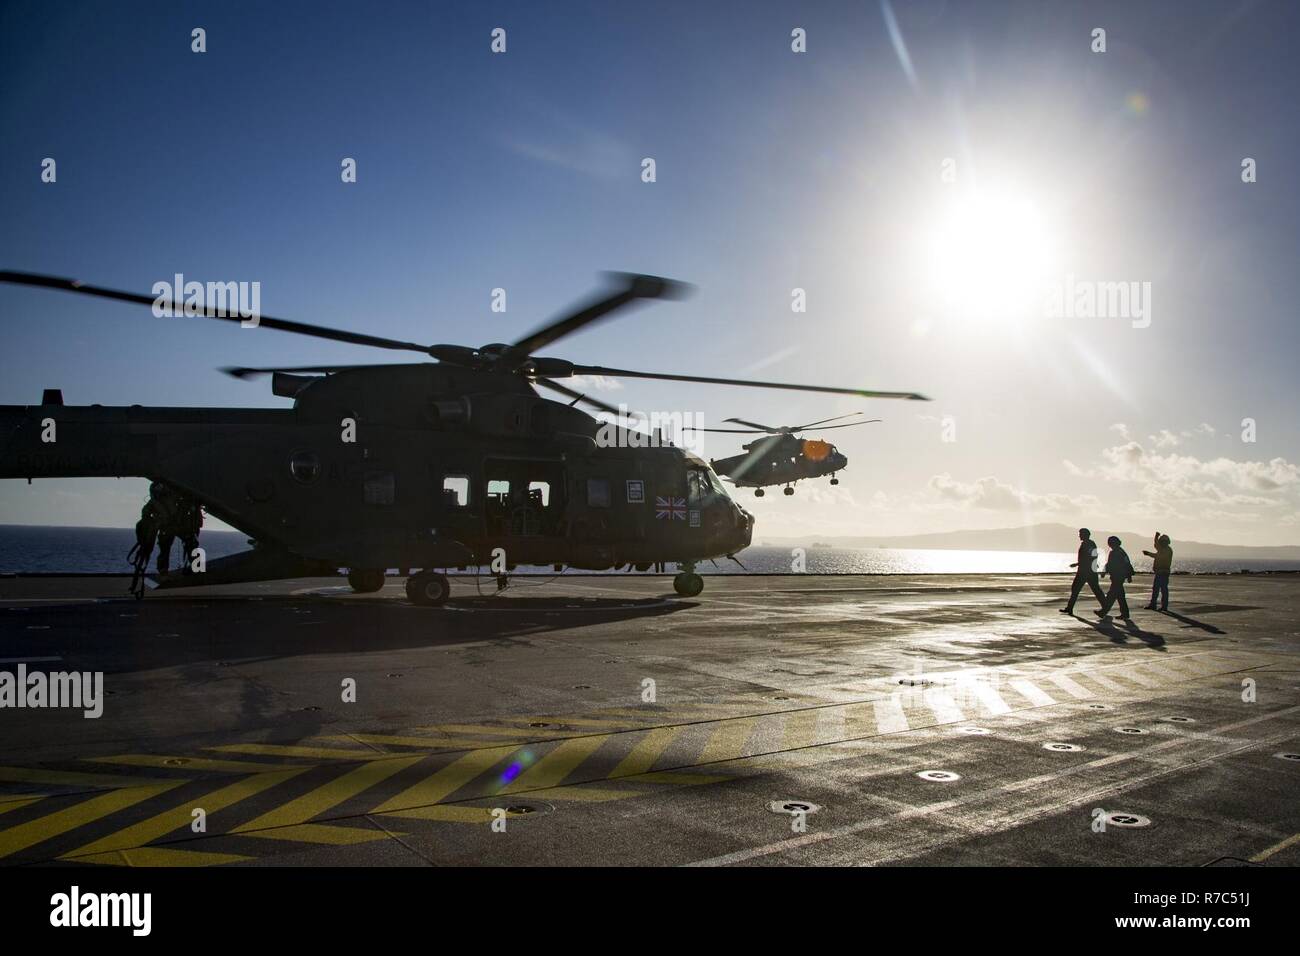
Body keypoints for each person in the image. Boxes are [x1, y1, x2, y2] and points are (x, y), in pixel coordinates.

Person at [1061, 527, 1105, 614]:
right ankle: (1069, 608)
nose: (1079, 536)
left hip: (1086, 571)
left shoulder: (1088, 544)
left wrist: (1077, 564)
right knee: (1079, 589)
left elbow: (1090, 557)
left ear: (1085, 535)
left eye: (1080, 534)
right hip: (1086, 570)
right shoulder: (1087, 543)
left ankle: (1105, 607)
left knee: (1086, 589)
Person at [1096, 535, 1135, 621]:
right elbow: (1111, 564)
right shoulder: (1119, 552)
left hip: (1118, 577)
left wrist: (1129, 575)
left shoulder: (1118, 552)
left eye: (1110, 542)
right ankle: (1125, 613)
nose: (1109, 544)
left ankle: (1103, 612)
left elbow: (1125, 564)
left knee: (1111, 595)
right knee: (1120, 596)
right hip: (1117, 577)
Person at [1142, 532, 1173, 611]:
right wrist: (1156, 537)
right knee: (1156, 589)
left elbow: (1159, 556)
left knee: (1163, 590)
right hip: (1159, 572)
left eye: (1162, 541)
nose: (1161, 543)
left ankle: (1163, 606)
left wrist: (1148, 553)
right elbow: (1156, 544)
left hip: (1163, 572)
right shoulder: (1163, 548)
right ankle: (1154, 605)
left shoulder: (1167, 550)